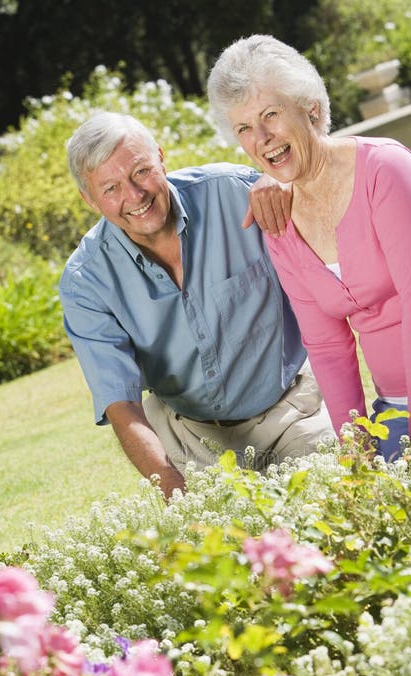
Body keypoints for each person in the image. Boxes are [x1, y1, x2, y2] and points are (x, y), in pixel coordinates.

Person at [207, 35, 411, 465]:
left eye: (271, 114)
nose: (263, 138)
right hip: (399, 400)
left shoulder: (385, 169)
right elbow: (327, 346)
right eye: (244, 129)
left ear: (310, 108)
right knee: (382, 498)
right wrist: (357, 449)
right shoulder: (278, 221)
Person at [59, 111, 334, 498]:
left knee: (327, 507)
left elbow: (326, 214)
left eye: (141, 172)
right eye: (111, 188)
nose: (134, 197)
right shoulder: (85, 282)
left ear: (160, 158)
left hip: (290, 410)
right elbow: (121, 404)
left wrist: (287, 183)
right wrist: (176, 492)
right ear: (89, 199)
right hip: (189, 437)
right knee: (222, 536)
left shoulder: (236, 194)